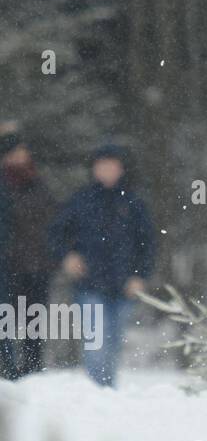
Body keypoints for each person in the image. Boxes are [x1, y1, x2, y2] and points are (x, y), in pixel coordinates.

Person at [47, 144, 154, 387]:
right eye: (102, 164)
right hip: (89, 285)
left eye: (112, 164)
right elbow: (56, 233)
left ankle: (107, 396)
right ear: (94, 168)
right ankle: (97, 394)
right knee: (97, 344)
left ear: (121, 168)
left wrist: (140, 276)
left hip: (124, 286)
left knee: (113, 345)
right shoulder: (81, 200)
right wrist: (67, 256)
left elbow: (148, 243)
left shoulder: (134, 202)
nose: (107, 170)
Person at [0, 129, 58, 378]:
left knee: (34, 320)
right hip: (8, 263)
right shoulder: (5, 187)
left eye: (22, 151)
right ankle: (9, 368)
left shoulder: (37, 183)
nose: (20, 156)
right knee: (6, 319)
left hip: (37, 264)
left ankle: (32, 370)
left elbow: (53, 221)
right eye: (14, 152)